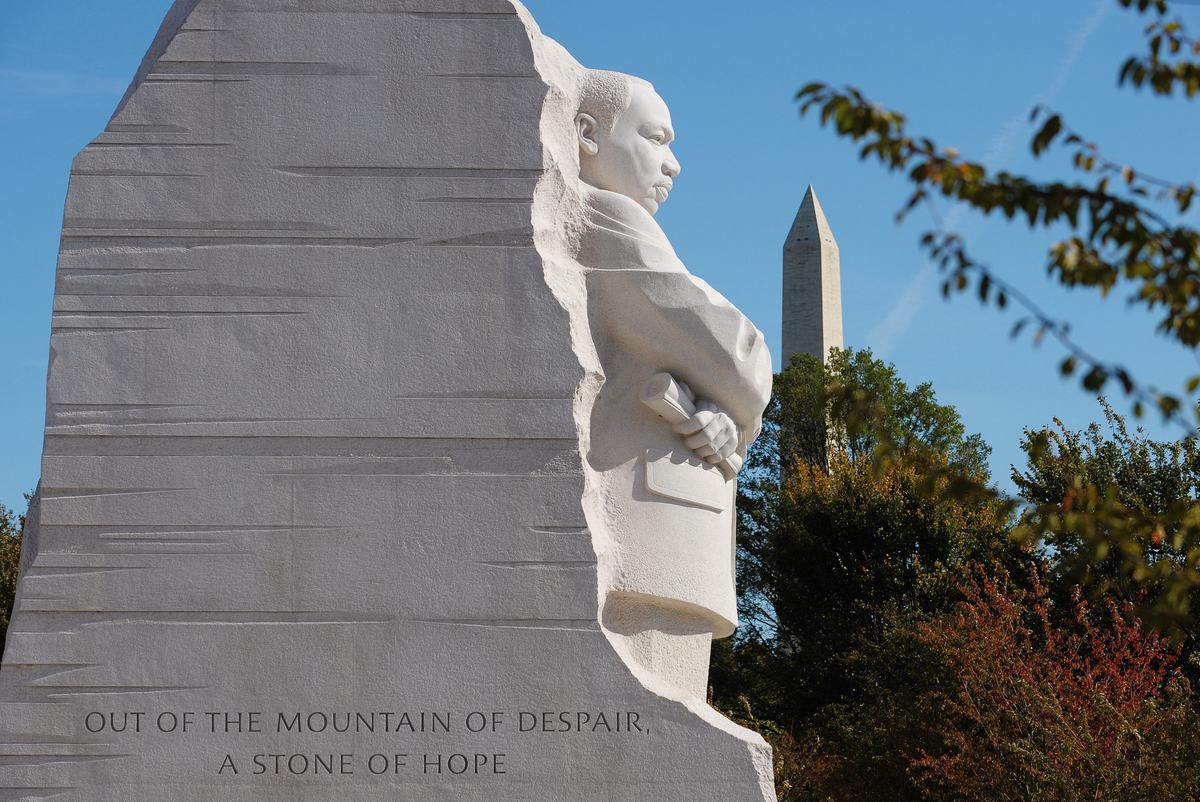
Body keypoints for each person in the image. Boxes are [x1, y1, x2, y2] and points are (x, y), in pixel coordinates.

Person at [570, 69, 773, 699]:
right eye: (655, 138)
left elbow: (712, 370)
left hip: (668, 523)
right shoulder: (603, 215)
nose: (674, 164)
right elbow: (734, 355)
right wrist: (738, 395)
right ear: (587, 134)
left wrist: (724, 416)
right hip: (648, 527)